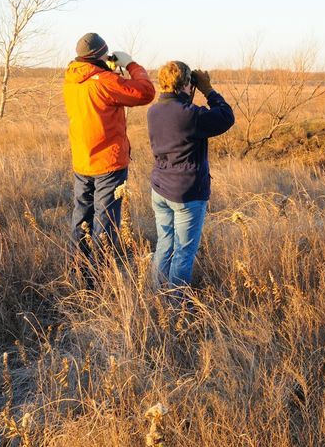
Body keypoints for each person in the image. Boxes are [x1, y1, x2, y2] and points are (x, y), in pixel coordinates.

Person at [63, 32, 155, 282]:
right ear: (99, 56)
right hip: (108, 162)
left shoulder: (72, 78)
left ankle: (77, 274)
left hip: (83, 160)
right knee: (105, 222)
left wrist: (109, 70)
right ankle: (97, 280)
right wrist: (130, 65)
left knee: (81, 217)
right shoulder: (104, 81)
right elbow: (145, 92)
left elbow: (101, 90)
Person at [147, 61, 234, 297]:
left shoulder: (153, 111)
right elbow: (226, 117)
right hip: (187, 193)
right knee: (183, 254)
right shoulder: (190, 115)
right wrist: (208, 90)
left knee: (164, 245)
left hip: (160, 188)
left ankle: (157, 297)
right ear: (186, 84)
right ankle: (175, 310)